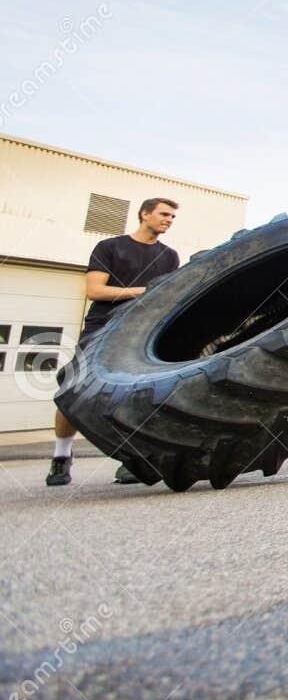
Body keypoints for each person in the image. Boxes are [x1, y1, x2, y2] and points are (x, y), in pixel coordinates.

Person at [47, 197, 181, 486]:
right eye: (164, 214)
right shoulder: (110, 247)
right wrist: (145, 291)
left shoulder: (170, 256)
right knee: (73, 390)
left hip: (144, 332)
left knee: (144, 395)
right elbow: (95, 290)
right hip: (102, 327)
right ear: (145, 214)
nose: (169, 220)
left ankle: (132, 459)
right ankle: (61, 457)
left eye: (172, 217)